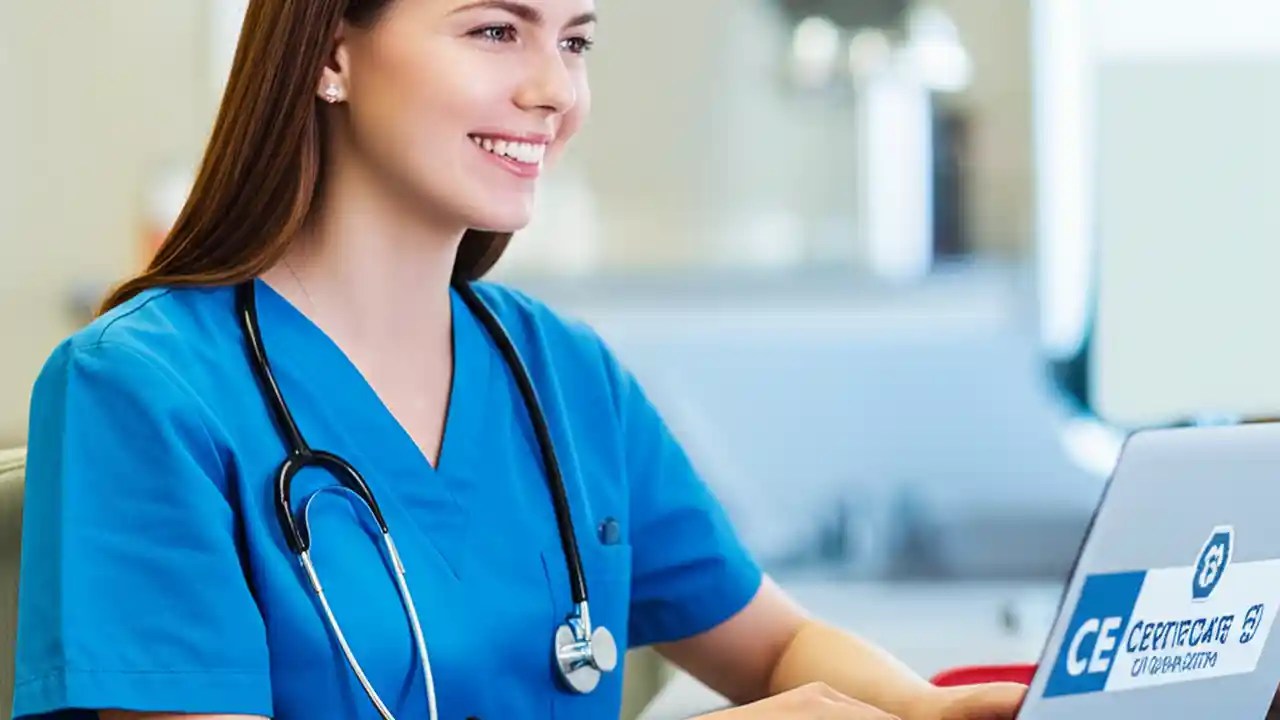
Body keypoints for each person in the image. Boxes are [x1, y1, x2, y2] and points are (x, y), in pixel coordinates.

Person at [11, 1, 1027, 718]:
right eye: (496, 29)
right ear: (331, 53)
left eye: (573, 39)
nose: (553, 90)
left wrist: (916, 709)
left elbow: (774, 646)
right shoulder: (139, 391)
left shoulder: (560, 374)